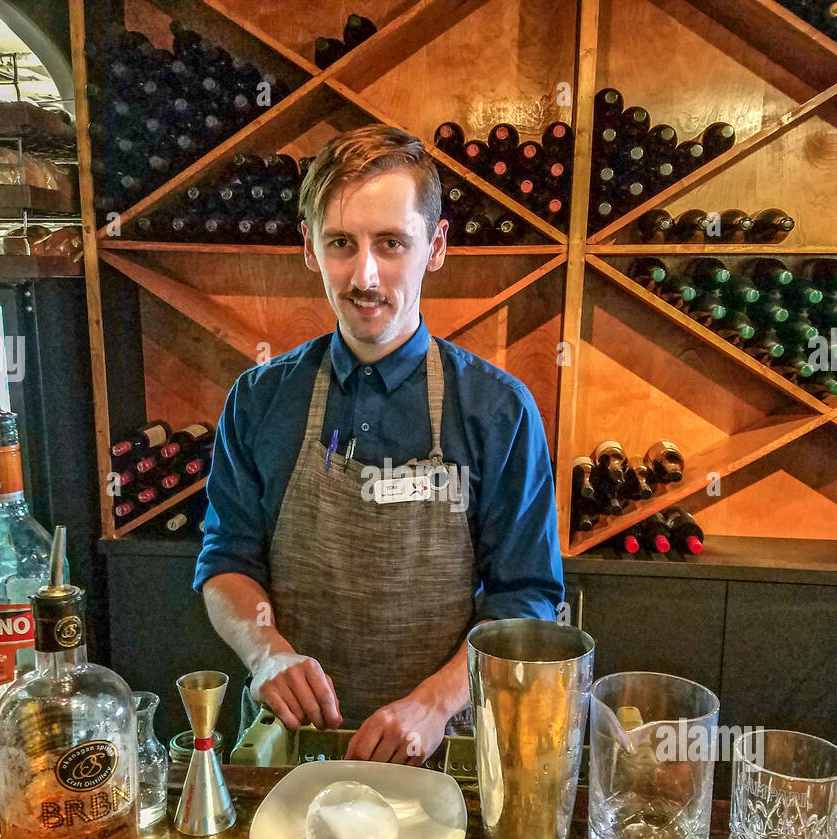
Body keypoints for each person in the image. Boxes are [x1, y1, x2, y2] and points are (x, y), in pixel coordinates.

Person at [196, 124, 563, 764]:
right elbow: (227, 560)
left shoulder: (498, 410)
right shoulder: (258, 399)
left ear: (436, 246)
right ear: (310, 248)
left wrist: (438, 701)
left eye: (391, 243)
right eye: (342, 243)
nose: (364, 275)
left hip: (448, 748)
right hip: (292, 746)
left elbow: (526, 594)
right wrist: (266, 653)